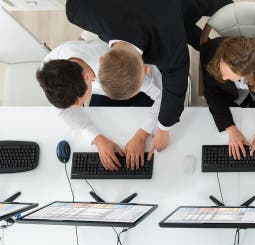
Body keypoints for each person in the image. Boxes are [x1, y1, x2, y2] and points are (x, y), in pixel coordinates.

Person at [65, 0, 231, 160]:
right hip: (164, 16)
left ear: (146, 70)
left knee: (229, 13)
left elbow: (176, 90)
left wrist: (163, 128)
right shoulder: (79, 10)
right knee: (179, 27)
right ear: (101, 60)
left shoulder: (171, 52)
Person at [36, 39, 164, 170]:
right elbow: (63, 111)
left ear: (86, 78)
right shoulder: (49, 73)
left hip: (137, 79)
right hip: (104, 89)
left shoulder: (117, 69)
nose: (80, 107)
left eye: (81, 103)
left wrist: (142, 135)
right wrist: (97, 139)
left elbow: (162, 96)